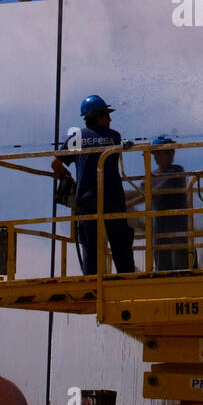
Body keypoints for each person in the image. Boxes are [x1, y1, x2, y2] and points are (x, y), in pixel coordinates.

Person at [51, 94, 135, 275]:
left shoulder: (77, 137)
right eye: (107, 115)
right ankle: (127, 277)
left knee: (90, 243)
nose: (110, 120)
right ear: (99, 116)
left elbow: (55, 164)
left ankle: (91, 281)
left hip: (87, 198)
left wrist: (67, 178)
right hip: (112, 197)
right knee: (120, 240)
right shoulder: (114, 137)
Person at [140, 135, 193, 271]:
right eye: (164, 152)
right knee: (162, 266)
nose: (170, 154)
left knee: (179, 265)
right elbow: (139, 191)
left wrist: (128, 204)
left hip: (176, 226)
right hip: (160, 226)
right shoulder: (154, 174)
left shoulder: (176, 171)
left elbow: (156, 191)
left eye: (170, 151)